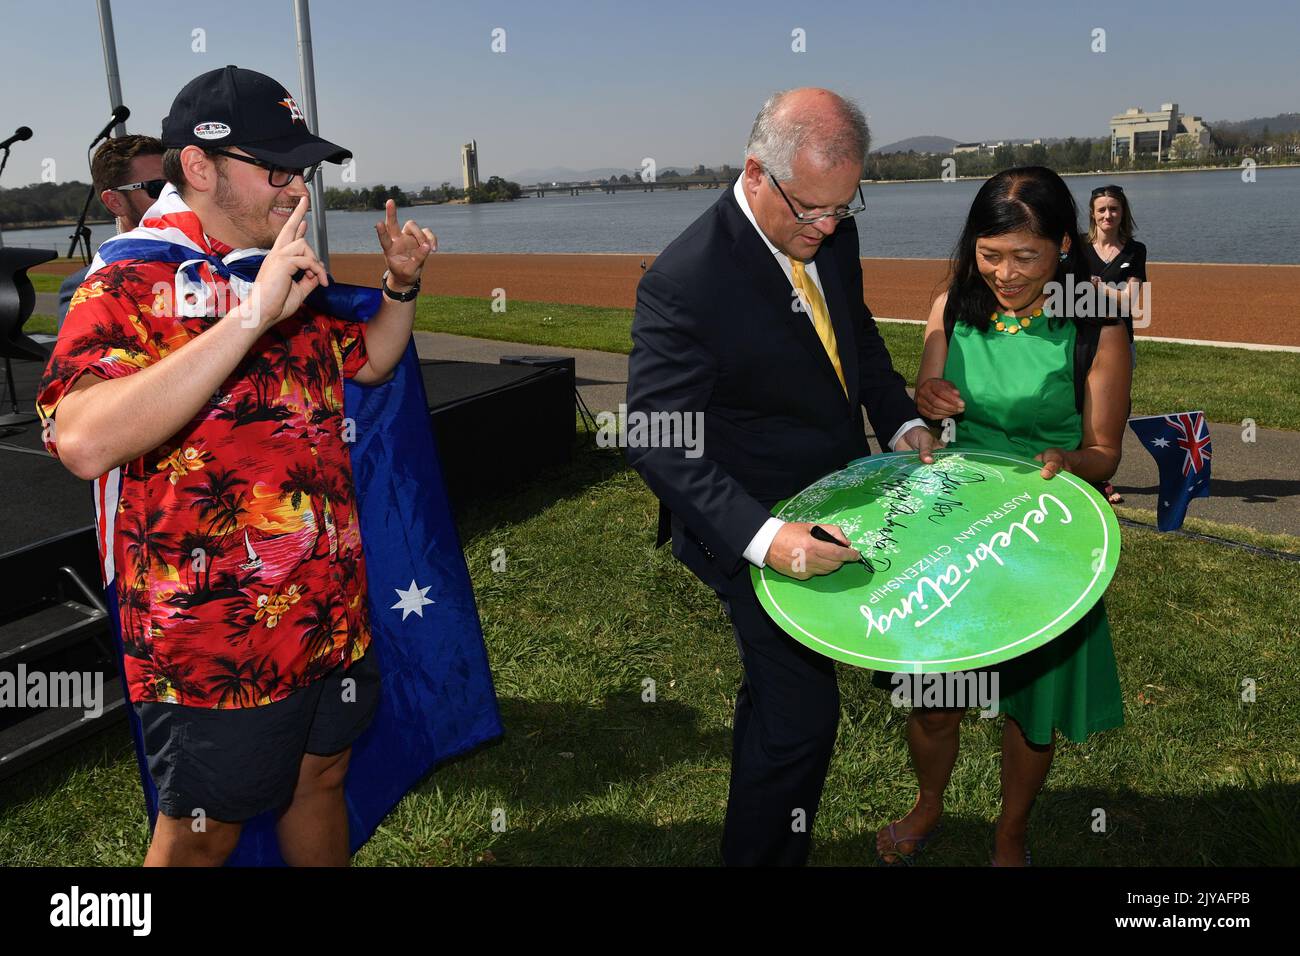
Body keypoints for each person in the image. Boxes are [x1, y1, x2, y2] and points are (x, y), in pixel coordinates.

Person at [35, 66, 436, 867]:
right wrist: (249, 320)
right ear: (199, 165)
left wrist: (401, 283)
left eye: (303, 171)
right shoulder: (127, 280)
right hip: (217, 637)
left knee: (323, 776)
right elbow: (80, 439)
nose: (297, 190)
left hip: (328, 611)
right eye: (276, 169)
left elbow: (373, 364)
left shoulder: (272, 269)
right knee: (202, 833)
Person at [625, 88, 938, 866]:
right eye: (812, 211)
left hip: (831, 501)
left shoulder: (829, 231)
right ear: (755, 173)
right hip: (750, 522)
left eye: (844, 207)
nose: (828, 228)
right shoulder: (685, 280)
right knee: (802, 719)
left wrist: (898, 418)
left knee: (777, 707)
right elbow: (659, 441)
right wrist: (767, 540)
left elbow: (854, 335)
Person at [877, 166, 1131, 867]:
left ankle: (1010, 834)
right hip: (954, 521)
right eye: (990, 254)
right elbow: (928, 389)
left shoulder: (1099, 319)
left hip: (1044, 528)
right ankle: (928, 805)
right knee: (934, 696)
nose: (1006, 273)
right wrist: (926, 396)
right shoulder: (952, 302)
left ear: (1065, 248)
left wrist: (1072, 462)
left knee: (1031, 705)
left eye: (1027, 256)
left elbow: (1105, 452)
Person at [57, 134, 165, 328]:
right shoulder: (88, 287)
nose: (174, 197)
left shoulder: (212, 263)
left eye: (180, 185)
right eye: (158, 188)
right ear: (115, 202)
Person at [1084, 183, 1146, 503]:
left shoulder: (1135, 251)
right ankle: (1081, 475)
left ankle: (1102, 477)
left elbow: (1131, 303)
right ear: (1093, 215)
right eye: (1102, 209)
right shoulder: (1079, 250)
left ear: (1123, 212)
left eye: (1114, 209)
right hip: (1081, 341)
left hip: (1119, 343)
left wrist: (1097, 287)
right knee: (1078, 406)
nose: (1108, 215)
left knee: (1114, 410)